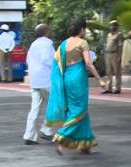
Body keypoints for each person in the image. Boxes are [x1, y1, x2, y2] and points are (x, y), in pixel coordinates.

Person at [45, 18, 106, 155]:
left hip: (67, 78)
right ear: (82, 29)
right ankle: (60, 136)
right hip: (78, 79)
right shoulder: (82, 42)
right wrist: (100, 79)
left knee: (77, 110)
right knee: (79, 110)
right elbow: (89, 64)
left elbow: (58, 64)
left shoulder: (64, 44)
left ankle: (85, 144)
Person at [23, 24, 56, 145]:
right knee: (55, 103)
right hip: (46, 79)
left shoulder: (33, 44)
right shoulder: (47, 43)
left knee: (34, 108)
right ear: (46, 32)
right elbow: (48, 60)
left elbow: (28, 60)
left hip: (35, 80)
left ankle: (29, 135)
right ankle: (46, 130)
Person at [102, 20, 124, 94]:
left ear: (117, 27)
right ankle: (109, 88)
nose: (113, 26)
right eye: (111, 25)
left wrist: (120, 56)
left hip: (115, 54)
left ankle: (118, 88)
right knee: (109, 72)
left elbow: (120, 46)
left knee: (117, 71)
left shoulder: (119, 35)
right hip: (108, 54)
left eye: (114, 25)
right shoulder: (108, 35)